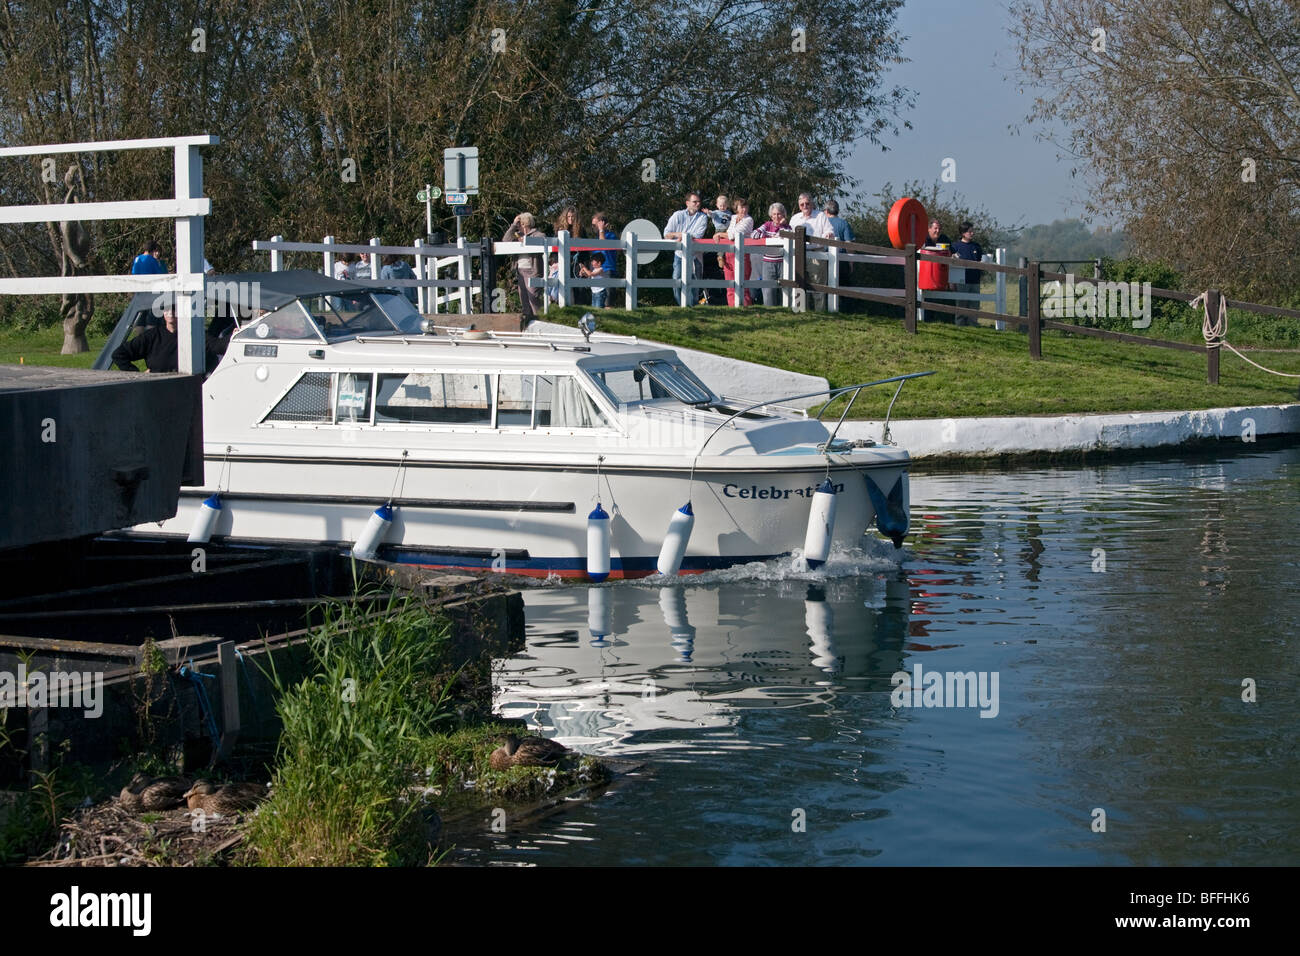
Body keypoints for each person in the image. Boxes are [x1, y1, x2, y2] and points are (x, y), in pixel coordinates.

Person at [789, 192, 834, 310]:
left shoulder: (820, 216)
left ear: (812, 204)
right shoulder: (794, 218)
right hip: (798, 254)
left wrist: (828, 234)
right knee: (799, 283)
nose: (804, 206)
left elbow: (829, 231)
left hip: (816, 253)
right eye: (802, 204)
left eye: (807, 203)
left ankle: (820, 312)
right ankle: (800, 310)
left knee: (818, 285)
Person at [663, 191, 709, 304]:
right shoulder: (677, 215)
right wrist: (682, 235)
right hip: (679, 255)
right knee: (676, 280)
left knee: (695, 283)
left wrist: (680, 235)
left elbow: (698, 235)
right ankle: (681, 306)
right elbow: (667, 234)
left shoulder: (703, 217)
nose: (698, 204)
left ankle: (693, 307)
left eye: (699, 202)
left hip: (695, 255)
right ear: (687, 203)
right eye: (694, 202)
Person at [503, 212, 545, 320]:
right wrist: (513, 225)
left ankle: (540, 320)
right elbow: (505, 240)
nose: (518, 226)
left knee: (534, 298)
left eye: (519, 223)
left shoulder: (538, 234)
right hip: (520, 270)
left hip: (533, 271)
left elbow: (542, 240)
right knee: (524, 299)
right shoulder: (517, 235)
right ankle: (528, 322)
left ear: (525, 224)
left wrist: (526, 241)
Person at [754, 203, 788, 307]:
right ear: (771, 215)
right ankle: (769, 312)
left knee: (786, 290)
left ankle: (785, 312)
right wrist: (769, 238)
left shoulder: (787, 227)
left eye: (779, 214)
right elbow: (754, 234)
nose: (776, 216)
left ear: (783, 215)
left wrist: (781, 226)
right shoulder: (767, 225)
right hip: (768, 262)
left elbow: (787, 237)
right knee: (768, 291)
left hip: (783, 262)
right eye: (774, 214)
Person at [951, 221, 984, 326]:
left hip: (975, 280)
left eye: (972, 231)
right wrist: (952, 281)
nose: (972, 233)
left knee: (974, 305)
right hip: (961, 280)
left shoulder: (976, 247)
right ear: (963, 233)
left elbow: (981, 262)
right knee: (961, 304)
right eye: (970, 231)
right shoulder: (955, 246)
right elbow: (951, 265)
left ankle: (973, 325)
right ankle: (960, 325)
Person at [553, 206, 588, 305]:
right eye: (568, 216)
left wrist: (584, 265)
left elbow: (586, 251)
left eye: (573, 216)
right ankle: (561, 309)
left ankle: (581, 309)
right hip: (563, 262)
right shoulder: (559, 231)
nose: (571, 218)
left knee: (580, 288)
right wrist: (555, 262)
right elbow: (555, 250)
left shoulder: (581, 231)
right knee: (561, 287)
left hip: (577, 262)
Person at [723, 198, 754, 306]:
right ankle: (732, 307)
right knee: (730, 283)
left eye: (746, 207)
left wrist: (720, 235)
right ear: (736, 208)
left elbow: (733, 234)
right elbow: (729, 233)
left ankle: (745, 307)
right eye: (741, 207)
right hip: (729, 251)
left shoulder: (749, 220)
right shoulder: (733, 217)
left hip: (742, 252)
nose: (744, 210)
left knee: (742, 282)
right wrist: (725, 234)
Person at [588, 212, 618, 308]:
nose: (594, 227)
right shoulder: (596, 239)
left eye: (596, 224)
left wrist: (601, 230)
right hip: (596, 273)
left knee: (608, 303)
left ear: (604, 224)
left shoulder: (611, 236)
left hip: (607, 271)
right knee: (597, 302)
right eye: (593, 225)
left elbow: (603, 245)